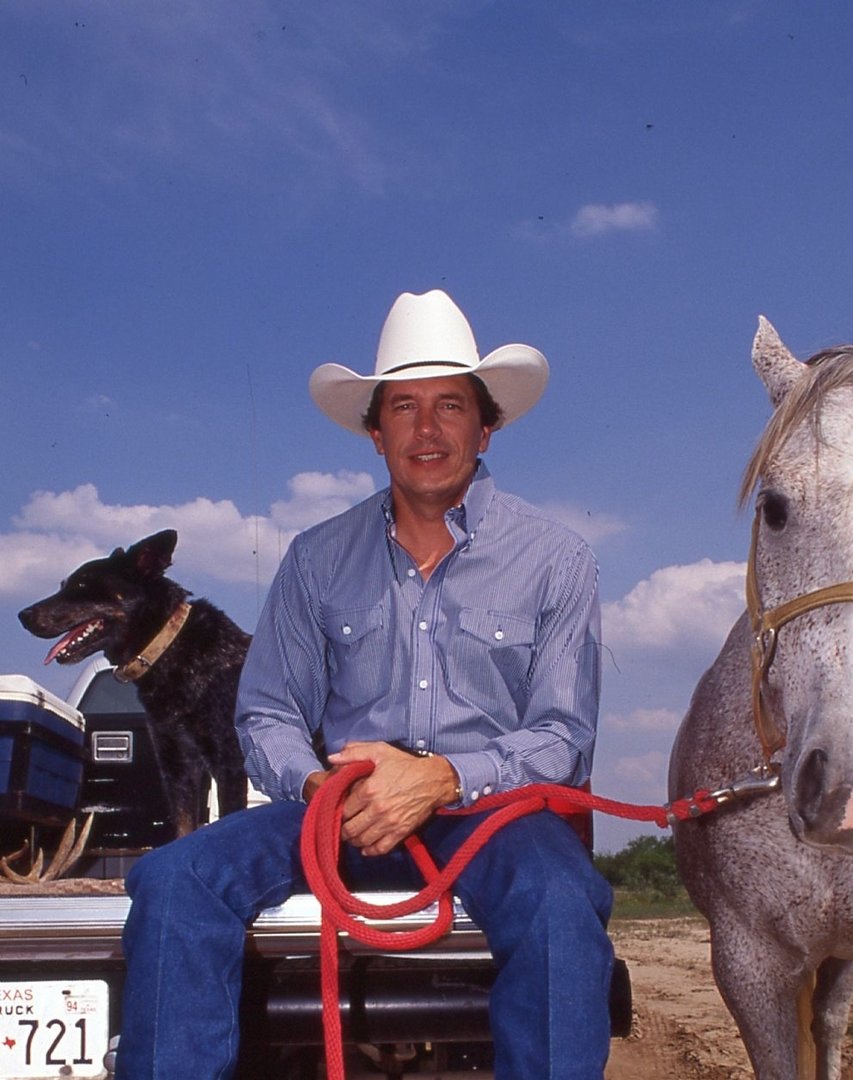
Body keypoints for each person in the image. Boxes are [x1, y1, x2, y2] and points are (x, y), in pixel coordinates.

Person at [117, 289, 615, 1080]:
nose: (426, 429)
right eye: (403, 407)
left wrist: (441, 778)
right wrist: (323, 784)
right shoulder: (315, 559)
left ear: (486, 426)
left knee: (561, 903)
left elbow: (561, 737)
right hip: (332, 811)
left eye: (450, 405)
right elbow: (270, 711)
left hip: (486, 820)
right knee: (175, 880)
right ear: (373, 431)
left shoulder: (557, 559)